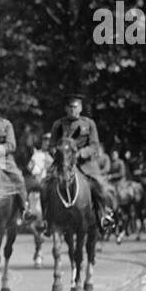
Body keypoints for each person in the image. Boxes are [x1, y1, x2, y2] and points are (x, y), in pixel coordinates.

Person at [48, 94, 116, 235]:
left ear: (80, 108)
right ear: (66, 108)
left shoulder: (89, 124)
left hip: (86, 165)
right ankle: (47, 219)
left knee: (101, 187)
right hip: (63, 164)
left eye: (76, 107)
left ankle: (104, 216)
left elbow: (94, 145)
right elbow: (52, 145)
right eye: (70, 107)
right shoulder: (58, 124)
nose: (73, 109)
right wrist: (59, 153)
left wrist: (80, 153)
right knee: (45, 185)